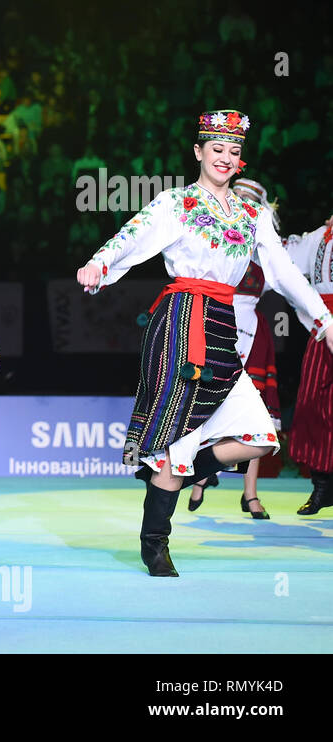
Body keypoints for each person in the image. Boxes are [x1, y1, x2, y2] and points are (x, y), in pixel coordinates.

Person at [76, 110, 333, 577]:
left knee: (260, 438)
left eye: (234, 152)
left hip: (222, 323)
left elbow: (284, 272)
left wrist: (323, 318)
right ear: (198, 152)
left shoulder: (253, 214)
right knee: (179, 436)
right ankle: (155, 543)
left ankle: (175, 474)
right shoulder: (176, 202)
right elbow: (133, 236)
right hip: (182, 323)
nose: (225, 158)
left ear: (241, 161)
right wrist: (100, 263)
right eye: (216, 149)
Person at [186, 177, 281, 518]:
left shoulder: (267, 246)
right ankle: (200, 476)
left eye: (248, 200)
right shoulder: (212, 239)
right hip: (215, 323)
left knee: (255, 412)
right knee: (209, 401)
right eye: (236, 197)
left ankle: (250, 494)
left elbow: (286, 277)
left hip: (252, 332)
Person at [282, 206, 333, 515]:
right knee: (314, 402)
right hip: (323, 321)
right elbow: (282, 253)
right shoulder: (317, 237)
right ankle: (322, 487)